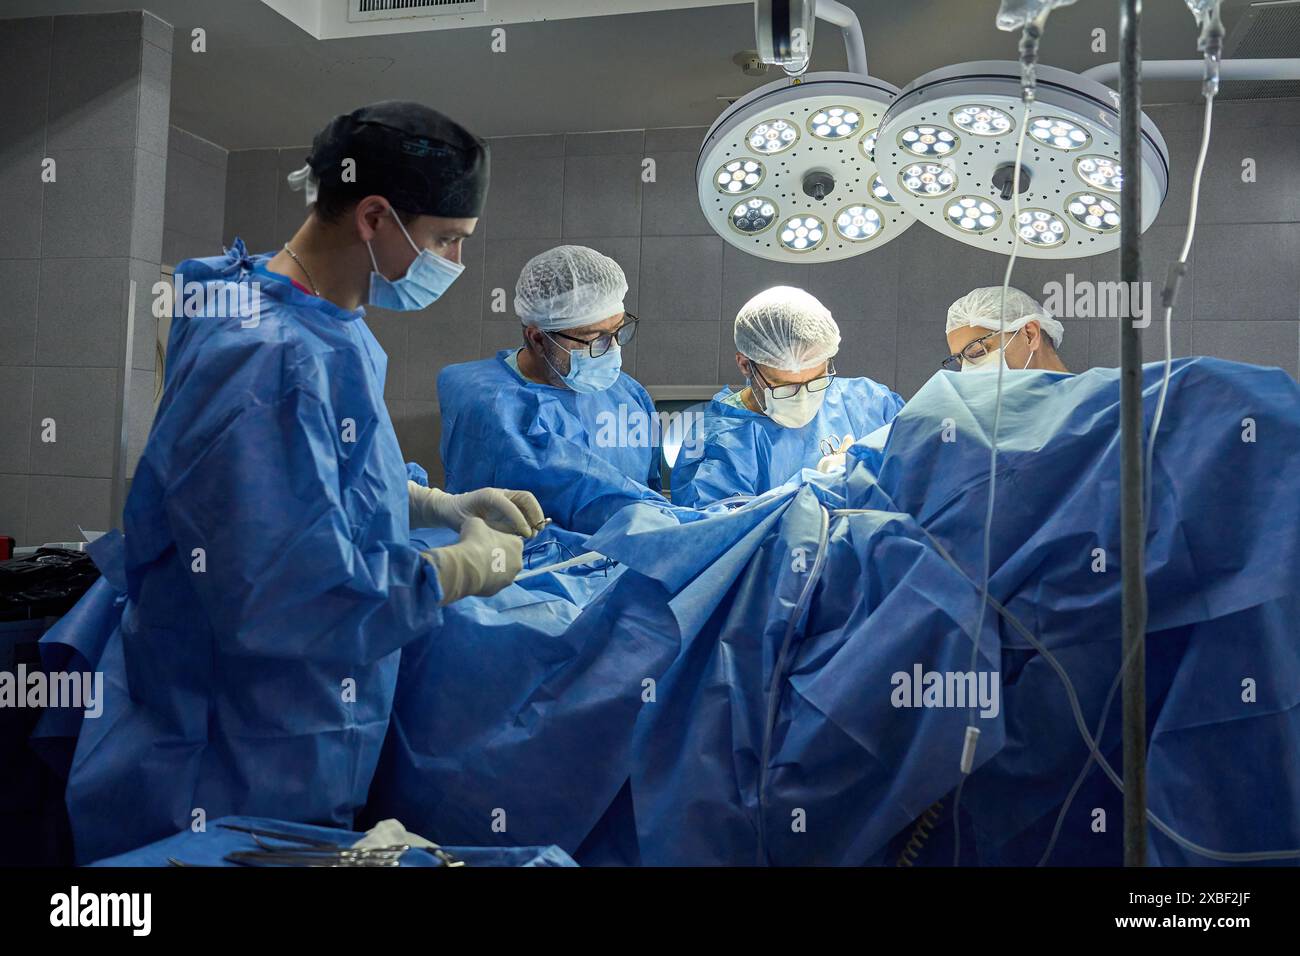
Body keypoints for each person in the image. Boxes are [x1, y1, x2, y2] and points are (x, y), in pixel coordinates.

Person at [59, 101, 546, 863]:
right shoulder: (271, 356)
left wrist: (432, 503)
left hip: (279, 729)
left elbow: (308, 476)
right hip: (227, 751)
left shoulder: (292, 311)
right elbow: (284, 595)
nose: (454, 260)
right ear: (376, 217)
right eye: (448, 239)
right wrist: (456, 570)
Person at [438, 245, 668, 535]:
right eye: (595, 339)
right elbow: (575, 488)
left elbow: (650, 489)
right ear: (537, 338)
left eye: (618, 331)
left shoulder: (628, 394)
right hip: (527, 571)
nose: (613, 349)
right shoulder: (494, 407)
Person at [671, 286, 905, 507]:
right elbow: (722, 536)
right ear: (745, 365)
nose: (802, 398)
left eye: (816, 381)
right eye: (784, 386)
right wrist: (813, 489)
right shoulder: (717, 444)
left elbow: (915, 481)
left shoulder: (870, 403)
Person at [942, 286, 1069, 373]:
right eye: (960, 362)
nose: (967, 371)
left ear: (1030, 335)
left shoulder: (1086, 407)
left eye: (978, 352)